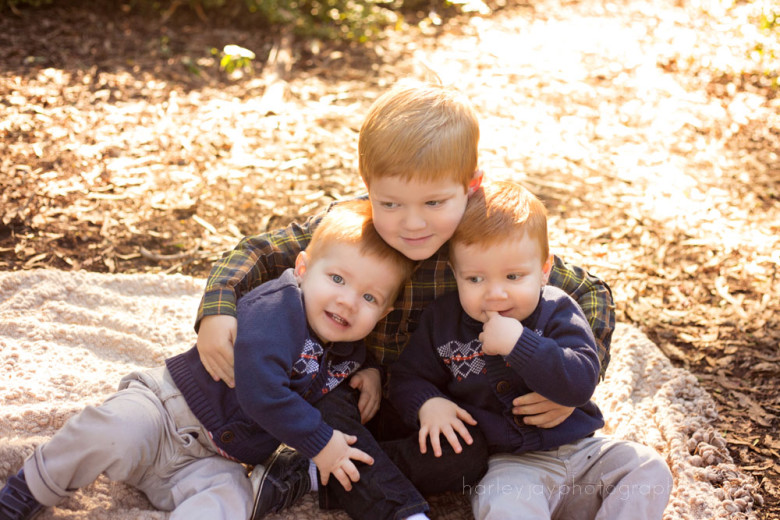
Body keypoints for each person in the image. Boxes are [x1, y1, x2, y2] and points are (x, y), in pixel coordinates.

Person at [194, 79, 617, 512]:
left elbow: (589, 290)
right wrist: (218, 307)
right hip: (347, 383)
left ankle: (309, 476)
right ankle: (395, 506)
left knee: (467, 455)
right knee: (330, 399)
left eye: (434, 203)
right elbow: (259, 251)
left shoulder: (479, 233)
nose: (412, 223)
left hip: (433, 398)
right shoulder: (353, 224)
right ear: (368, 186)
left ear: (471, 185)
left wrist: (571, 385)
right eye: (391, 204)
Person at [0, 200, 440, 520]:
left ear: (383, 312)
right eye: (338, 279)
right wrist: (320, 443)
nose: (347, 301)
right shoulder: (278, 306)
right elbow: (262, 392)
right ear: (304, 269)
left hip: (219, 458)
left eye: (368, 297)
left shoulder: (349, 349)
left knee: (232, 500)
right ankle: (28, 491)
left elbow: (325, 382)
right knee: (113, 430)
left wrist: (369, 375)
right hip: (167, 411)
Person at [388, 181, 673, 519]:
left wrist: (520, 344)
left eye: (513, 276)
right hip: (511, 467)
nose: (495, 294)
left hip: (583, 454)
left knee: (649, 469)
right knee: (506, 505)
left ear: (543, 271)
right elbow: (406, 377)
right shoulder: (443, 321)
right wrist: (428, 404)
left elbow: (582, 379)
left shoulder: (557, 309)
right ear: (456, 274)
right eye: (475, 279)